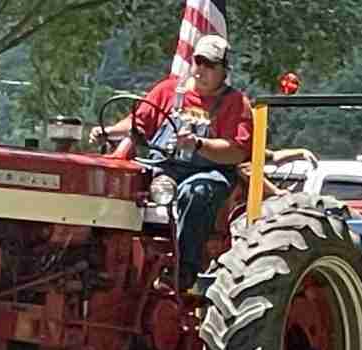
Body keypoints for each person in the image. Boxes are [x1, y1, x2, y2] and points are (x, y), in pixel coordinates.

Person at [90, 35, 253, 290]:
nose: (201, 69)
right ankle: (108, 261)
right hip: (164, 169)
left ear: (224, 70)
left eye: (210, 64)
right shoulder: (168, 90)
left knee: (196, 192)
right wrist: (109, 131)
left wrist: (199, 144)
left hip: (210, 171)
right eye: (198, 61)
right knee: (121, 184)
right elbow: (138, 125)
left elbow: (236, 152)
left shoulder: (235, 103)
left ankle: (183, 270)